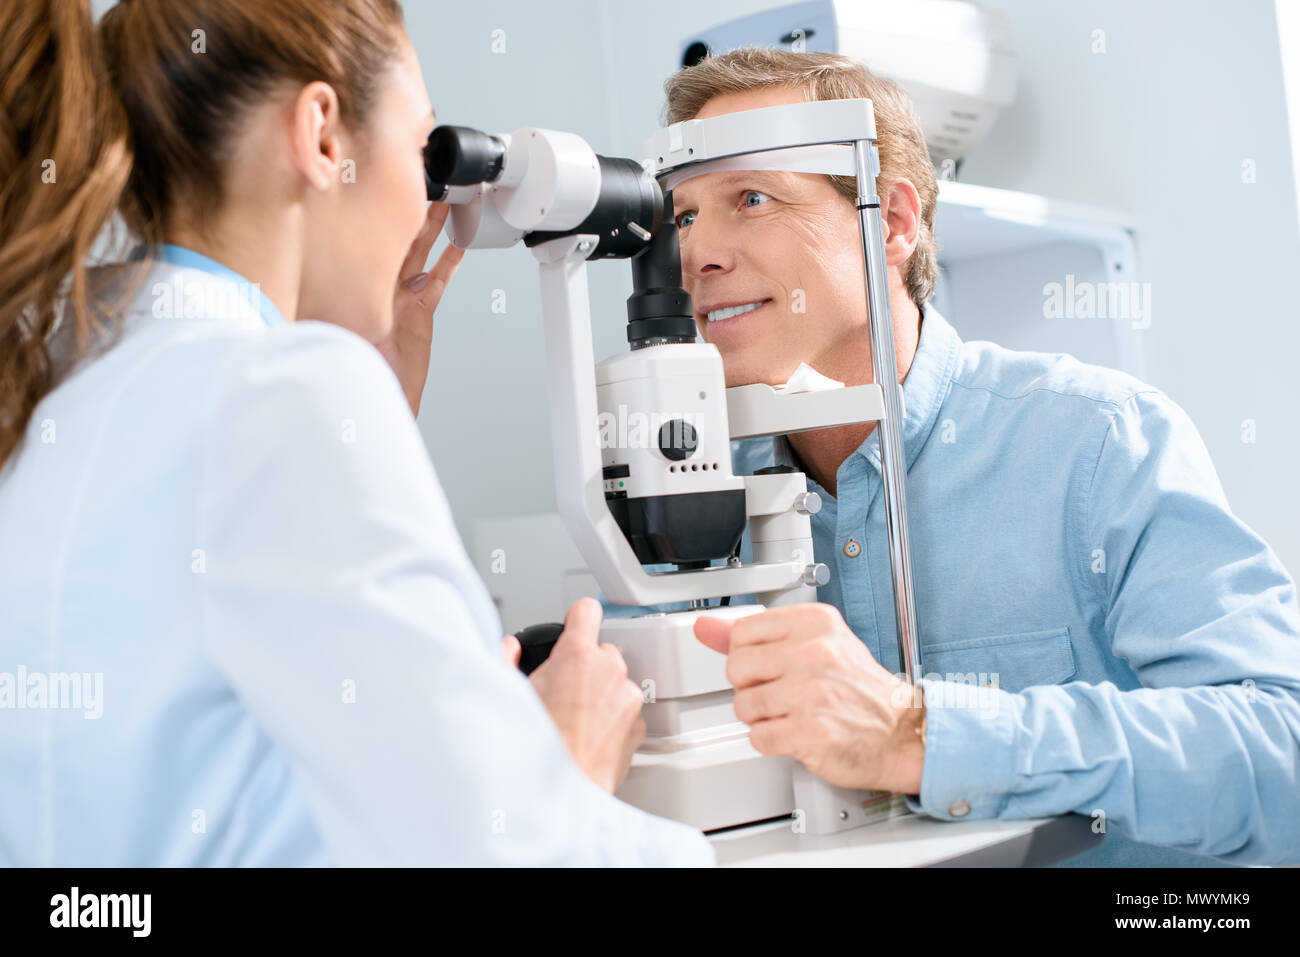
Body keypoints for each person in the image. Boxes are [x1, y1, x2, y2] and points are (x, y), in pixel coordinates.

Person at [0, 0, 713, 866]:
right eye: (423, 150)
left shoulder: (51, 375)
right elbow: (505, 854)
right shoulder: (279, 394)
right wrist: (558, 767)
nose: (430, 199)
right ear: (323, 138)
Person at [633, 48, 1300, 866]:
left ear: (894, 223)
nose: (699, 254)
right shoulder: (683, 493)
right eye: (687, 214)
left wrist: (919, 733)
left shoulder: (1097, 443)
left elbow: (1281, 754)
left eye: (753, 197)